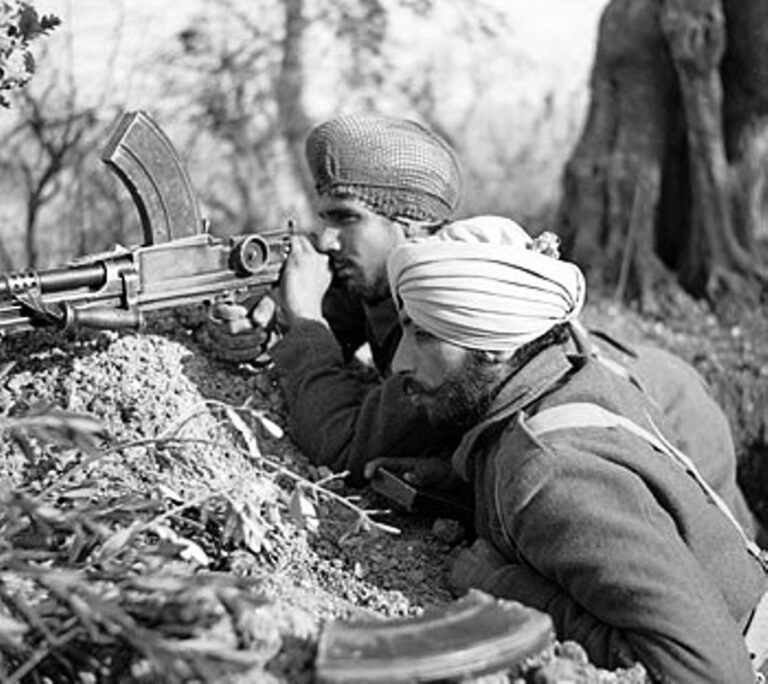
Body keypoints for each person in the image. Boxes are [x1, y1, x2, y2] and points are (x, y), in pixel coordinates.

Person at [208, 112, 759, 540]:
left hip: (668, 412)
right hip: (649, 382)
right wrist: (267, 325)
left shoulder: (442, 322)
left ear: (412, 228)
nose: (327, 241)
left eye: (346, 219)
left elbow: (345, 446)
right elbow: (338, 328)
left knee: (726, 562)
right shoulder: (378, 282)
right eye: (325, 219)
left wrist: (304, 324)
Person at [386, 215, 768, 683]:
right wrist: (461, 481)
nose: (398, 363)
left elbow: (711, 675)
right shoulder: (569, 380)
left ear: (497, 347)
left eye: (424, 334)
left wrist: (505, 588)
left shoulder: (551, 474)